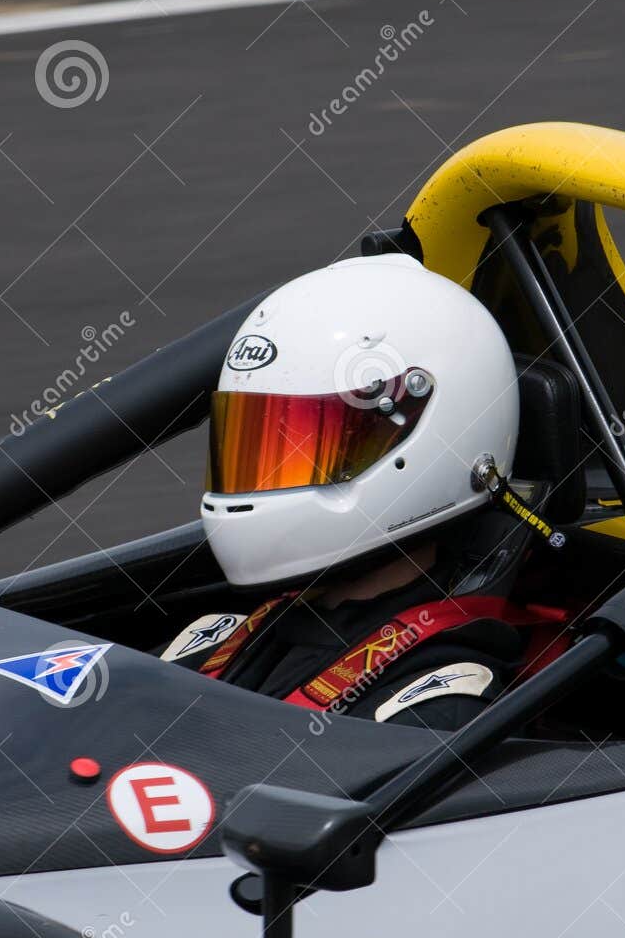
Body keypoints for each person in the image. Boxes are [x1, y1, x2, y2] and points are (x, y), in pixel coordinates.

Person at [162, 254, 559, 729]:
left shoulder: (434, 710)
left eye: (301, 449)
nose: (258, 480)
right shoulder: (216, 643)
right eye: (253, 444)